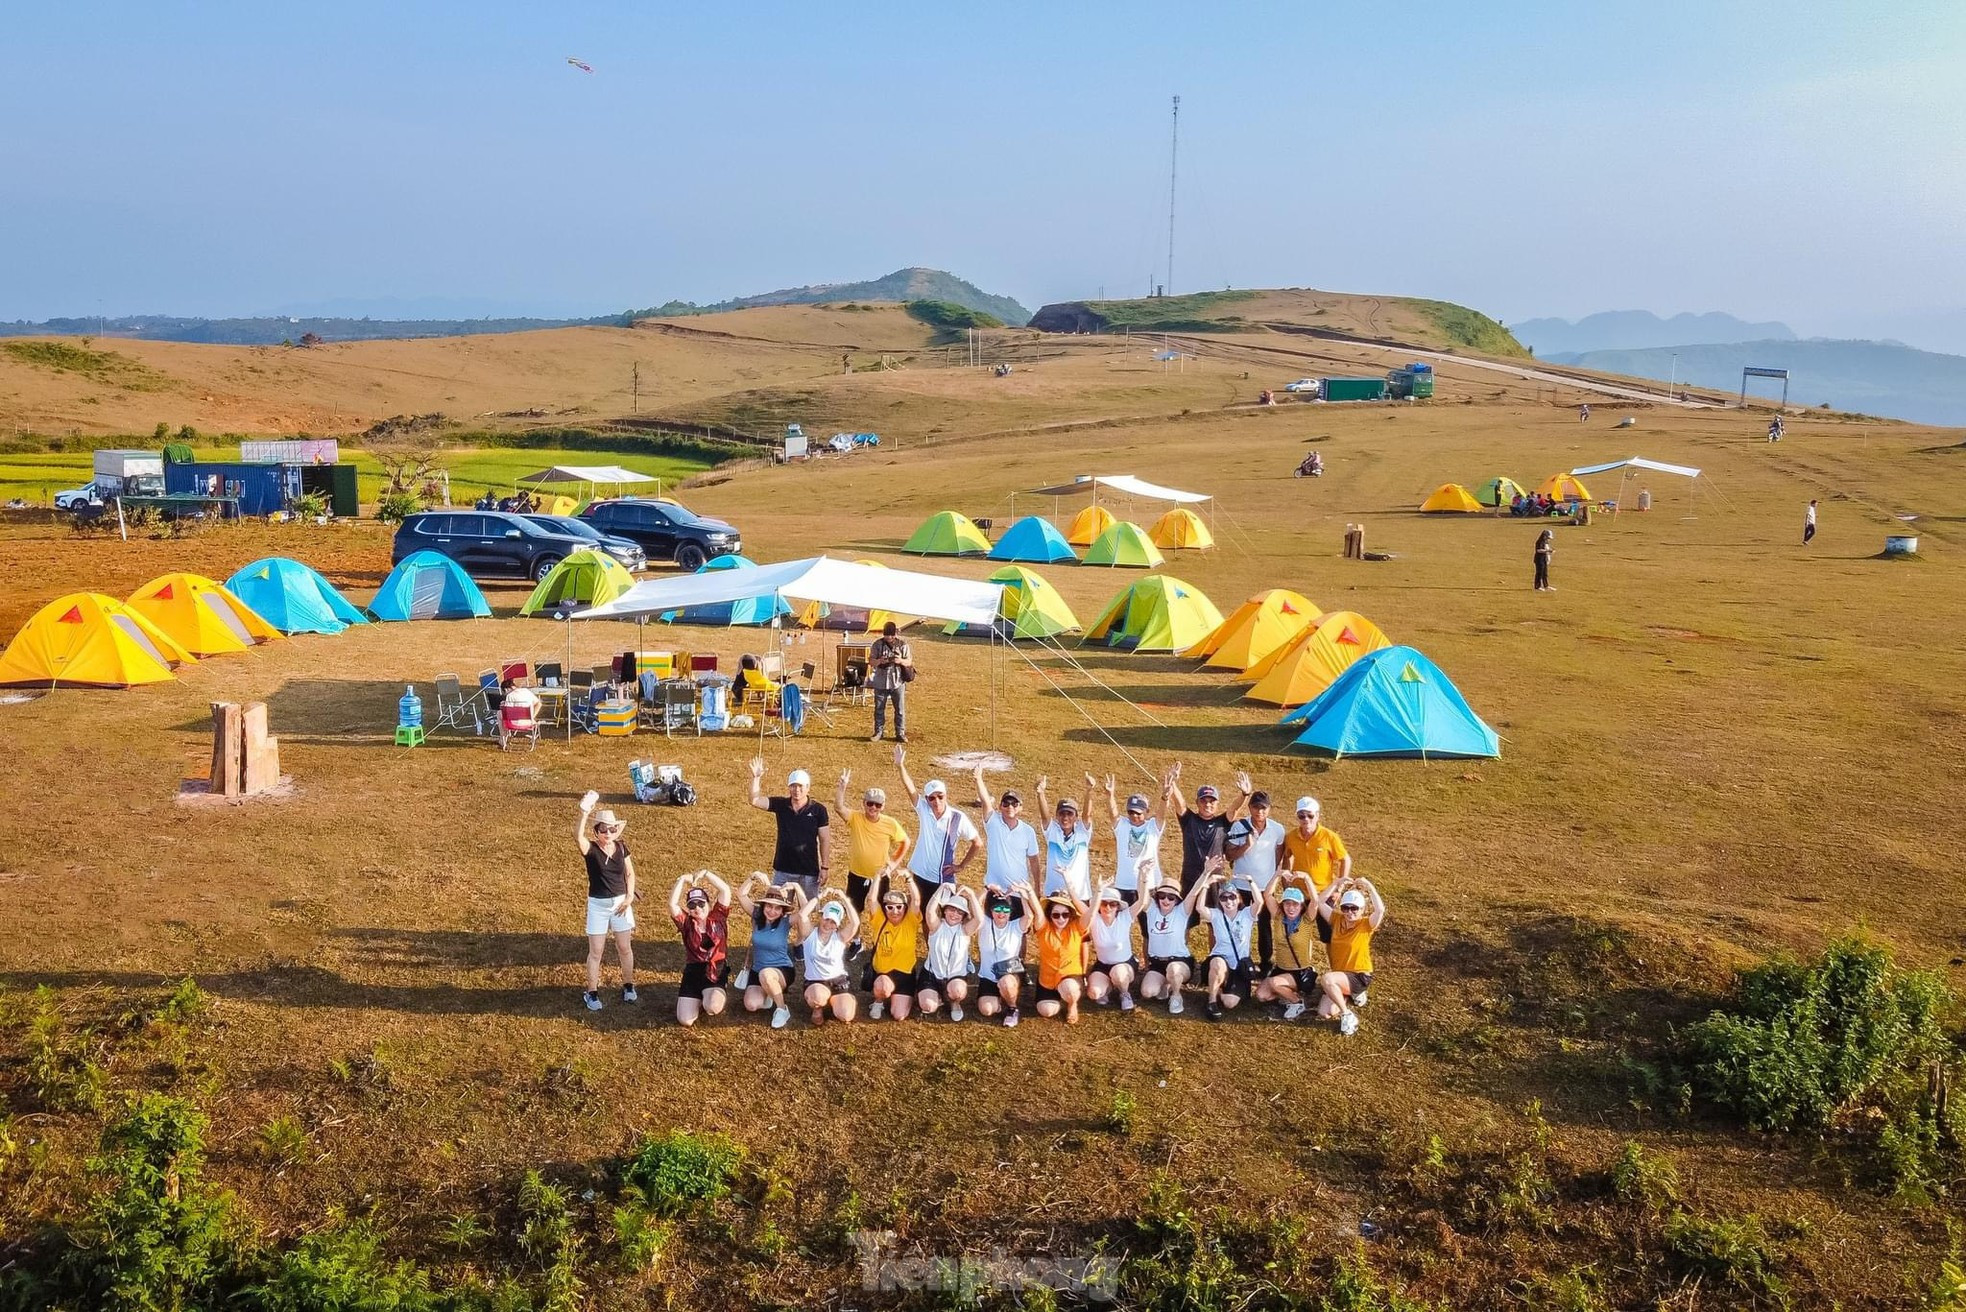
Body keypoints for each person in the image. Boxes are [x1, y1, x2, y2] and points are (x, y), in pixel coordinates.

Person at [894, 747, 979, 911]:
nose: (937, 801)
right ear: (927, 799)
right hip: (920, 874)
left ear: (946, 796)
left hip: (943, 877)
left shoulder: (958, 817)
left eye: (940, 796)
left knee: (943, 916)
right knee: (924, 915)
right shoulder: (924, 810)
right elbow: (910, 789)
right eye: (932, 798)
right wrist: (900, 766)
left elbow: (977, 843)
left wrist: (961, 866)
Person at [836, 769, 911, 955]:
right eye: (870, 803)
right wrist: (842, 787)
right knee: (854, 910)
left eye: (877, 805)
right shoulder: (855, 818)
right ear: (864, 803)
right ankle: (856, 941)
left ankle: (881, 941)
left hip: (880, 878)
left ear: (883, 806)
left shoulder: (890, 823)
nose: (873, 808)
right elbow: (839, 807)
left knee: (881, 911)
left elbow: (905, 842)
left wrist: (893, 864)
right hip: (856, 876)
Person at [575, 795, 637, 1012]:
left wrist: (629, 898)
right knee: (596, 951)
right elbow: (577, 836)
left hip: (621, 905)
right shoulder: (590, 850)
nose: (608, 834)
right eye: (603, 830)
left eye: (611, 830)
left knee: (624, 947)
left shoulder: (621, 847)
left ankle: (628, 985)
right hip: (598, 906)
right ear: (597, 831)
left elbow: (630, 874)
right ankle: (591, 992)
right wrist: (584, 812)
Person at [1138, 861, 1215, 1015]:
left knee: (1173, 970)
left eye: (1171, 897)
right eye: (1162, 896)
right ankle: (1166, 983)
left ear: (1177, 899)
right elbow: (1142, 896)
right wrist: (1143, 875)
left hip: (1179, 961)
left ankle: (1176, 995)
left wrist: (1206, 872)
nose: (1166, 900)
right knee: (1147, 992)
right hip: (1157, 963)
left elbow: (1194, 892)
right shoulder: (1152, 910)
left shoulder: (1182, 911)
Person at [749, 759, 831, 899]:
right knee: (777, 908)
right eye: (793, 786)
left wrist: (824, 867)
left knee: (808, 912)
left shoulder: (819, 810)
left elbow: (825, 839)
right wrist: (756, 778)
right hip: (783, 870)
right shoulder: (781, 804)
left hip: (808, 872)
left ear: (808, 787)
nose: (796, 790)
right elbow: (755, 801)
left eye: (800, 786)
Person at [1278, 796, 1351, 951]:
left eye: (1310, 815)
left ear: (1317, 816)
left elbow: (1345, 860)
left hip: (1324, 894)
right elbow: (1287, 857)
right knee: (1299, 933)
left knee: (1329, 936)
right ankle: (1302, 968)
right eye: (1301, 815)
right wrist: (1286, 885)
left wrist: (1339, 889)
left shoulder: (1329, 837)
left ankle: (1335, 971)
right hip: (1300, 894)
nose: (1306, 819)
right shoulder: (1291, 837)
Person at [1224, 785, 1285, 970]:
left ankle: (1266, 962)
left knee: (1264, 925)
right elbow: (1229, 855)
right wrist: (1246, 847)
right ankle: (1241, 959)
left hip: (1265, 888)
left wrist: (1277, 880)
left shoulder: (1277, 829)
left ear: (1269, 809)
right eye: (1256, 807)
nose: (1260, 811)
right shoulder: (1239, 826)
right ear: (1250, 808)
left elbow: (1279, 855)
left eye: (1263, 807)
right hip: (1241, 885)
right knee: (1242, 924)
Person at [1317, 876, 1386, 1036]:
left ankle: (1347, 1015)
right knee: (1324, 1012)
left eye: (1354, 908)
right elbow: (1320, 902)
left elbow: (1380, 910)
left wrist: (1369, 886)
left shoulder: (1366, 924)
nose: (1349, 912)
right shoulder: (1337, 919)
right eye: (1346, 908)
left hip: (1359, 975)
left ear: (1362, 909)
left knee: (1327, 979)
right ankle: (1349, 995)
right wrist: (1335, 883)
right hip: (1341, 974)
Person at [1164, 762, 1245, 896]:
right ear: (1197, 802)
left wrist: (1245, 794)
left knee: (1215, 916)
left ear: (1217, 803)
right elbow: (1179, 802)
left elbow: (1234, 808)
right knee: (1189, 916)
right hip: (1190, 879)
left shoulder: (1222, 822)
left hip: (1214, 881)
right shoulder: (1188, 820)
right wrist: (1172, 781)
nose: (1207, 804)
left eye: (1212, 801)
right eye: (1203, 801)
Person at [736, 876, 804, 1029]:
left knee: (766, 975)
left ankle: (782, 1009)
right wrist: (752, 878)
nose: (772, 911)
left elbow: (804, 911)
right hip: (757, 970)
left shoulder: (786, 922)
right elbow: (740, 895)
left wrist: (797, 888)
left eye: (777, 908)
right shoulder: (756, 916)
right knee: (751, 1005)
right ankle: (769, 993)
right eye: (769, 906)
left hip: (781, 970)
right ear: (764, 905)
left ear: (782, 911)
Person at [669, 870, 733, 1027]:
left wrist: (706, 873)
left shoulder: (718, 917)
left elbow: (725, 890)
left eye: (701, 903)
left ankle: (714, 994)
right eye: (691, 905)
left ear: (708, 904)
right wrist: (681, 879)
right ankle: (699, 997)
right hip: (694, 970)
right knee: (685, 1020)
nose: (696, 908)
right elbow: (672, 904)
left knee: (712, 1007)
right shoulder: (686, 924)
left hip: (716, 968)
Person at [974, 766, 1041, 912]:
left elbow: (1034, 861)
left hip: (1018, 891)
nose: (1010, 806)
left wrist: (1036, 888)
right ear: (1000, 806)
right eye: (1006, 803)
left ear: (1020, 808)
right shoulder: (993, 822)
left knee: (1020, 930)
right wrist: (978, 779)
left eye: (1014, 803)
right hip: (994, 890)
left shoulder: (1028, 831)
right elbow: (985, 801)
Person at [917, 884, 983, 1022]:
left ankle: (955, 1002)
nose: (955, 914)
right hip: (932, 975)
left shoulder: (965, 930)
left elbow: (979, 919)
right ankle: (939, 996)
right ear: (945, 910)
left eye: (960, 912)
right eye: (952, 909)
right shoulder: (936, 925)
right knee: (928, 1006)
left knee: (957, 991)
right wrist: (942, 888)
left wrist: (971, 895)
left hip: (955, 975)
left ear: (964, 916)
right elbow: (929, 911)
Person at [1027, 884, 1093, 1023]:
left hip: (1070, 975)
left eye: (1065, 914)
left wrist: (1098, 892)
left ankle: (1072, 1004)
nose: (1061, 919)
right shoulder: (1044, 928)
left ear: (1070, 914)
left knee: (1070, 989)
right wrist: (1028, 892)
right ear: (1050, 915)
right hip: (1048, 979)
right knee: (1046, 1011)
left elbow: (1090, 914)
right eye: (1056, 915)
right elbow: (1038, 912)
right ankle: (1058, 997)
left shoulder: (1077, 927)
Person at [1255, 881, 1320, 1020]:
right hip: (1281, 968)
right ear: (1282, 905)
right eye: (1287, 904)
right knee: (1261, 996)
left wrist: (1306, 878)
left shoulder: (1306, 920)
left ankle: (1297, 1003)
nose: (1291, 908)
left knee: (1274, 983)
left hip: (1299, 971)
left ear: (1301, 906)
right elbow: (1267, 895)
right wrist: (1278, 874)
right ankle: (1286, 995)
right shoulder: (1279, 917)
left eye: (1295, 904)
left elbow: (1315, 900)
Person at [1198, 863, 1256, 1020]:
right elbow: (1199, 907)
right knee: (1217, 964)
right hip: (1220, 959)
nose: (1228, 901)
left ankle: (1220, 987)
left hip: (1238, 966)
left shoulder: (1246, 914)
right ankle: (1211, 1001)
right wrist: (1206, 885)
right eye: (1223, 898)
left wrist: (1251, 882)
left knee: (1229, 1003)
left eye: (1232, 897)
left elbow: (1260, 903)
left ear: (1238, 899)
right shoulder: (1216, 914)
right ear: (1219, 900)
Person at [862, 875, 922, 1020]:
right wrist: (876, 877)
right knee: (883, 987)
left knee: (899, 1015)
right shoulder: (879, 919)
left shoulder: (911, 920)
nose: (895, 911)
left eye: (899, 907)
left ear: (905, 908)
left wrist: (909, 879)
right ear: (884, 908)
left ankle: (898, 997)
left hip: (905, 974)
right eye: (890, 907)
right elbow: (871, 899)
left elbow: (916, 900)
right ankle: (879, 1001)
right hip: (883, 973)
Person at [797, 892, 861, 1025]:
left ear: (837, 924)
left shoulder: (840, 937)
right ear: (821, 917)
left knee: (845, 1016)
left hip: (838, 980)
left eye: (833, 922)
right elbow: (802, 915)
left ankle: (842, 1000)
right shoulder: (809, 934)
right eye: (826, 919)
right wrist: (819, 897)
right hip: (815, 981)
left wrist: (845, 899)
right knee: (817, 998)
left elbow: (855, 922)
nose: (828, 924)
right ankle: (819, 1007)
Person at [1099, 775, 1162, 906]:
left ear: (1147, 811)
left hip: (1149, 884)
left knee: (1148, 925)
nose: (1134, 816)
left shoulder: (1153, 826)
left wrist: (1165, 797)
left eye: (1138, 813)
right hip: (1124, 885)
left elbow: (1162, 813)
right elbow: (1113, 814)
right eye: (1131, 812)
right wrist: (1110, 796)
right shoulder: (1122, 825)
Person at [974, 885, 1029, 1026]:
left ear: (1011, 912)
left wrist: (1022, 893)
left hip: (1009, 973)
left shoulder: (1016, 926)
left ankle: (1012, 1007)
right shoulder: (984, 924)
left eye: (1006, 910)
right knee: (986, 1010)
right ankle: (999, 998)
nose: (1001, 913)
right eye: (997, 909)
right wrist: (986, 888)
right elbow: (972, 905)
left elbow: (1029, 916)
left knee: (1005, 983)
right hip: (988, 976)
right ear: (990, 911)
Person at [1035, 777, 1095, 903]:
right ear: (1057, 816)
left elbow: (1087, 815)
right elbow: (1044, 817)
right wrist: (1040, 794)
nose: (1065, 818)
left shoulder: (1083, 833)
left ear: (1076, 817)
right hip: (1053, 893)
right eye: (1062, 814)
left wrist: (1089, 791)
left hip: (1080, 895)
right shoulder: (1052, 832)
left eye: (1069, 814)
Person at [1084, 886, 1139, 1012]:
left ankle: (1124, 993)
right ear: (1098, 905)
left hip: (1124, 964)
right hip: (1103, 965)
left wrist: (1144, 878)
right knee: (1094, 993)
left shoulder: (1125, 917)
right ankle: (1109, 987)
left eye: (1112, 904)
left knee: (1118, 974)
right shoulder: (1094, 919)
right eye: (1103, 903)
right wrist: (1068, 880)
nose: (1107, 907)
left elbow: (1142, 902)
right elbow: (1077, 903)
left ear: (1118, 907)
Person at [868, 620, 912, 743]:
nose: (889, 638)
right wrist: (880, 661)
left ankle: (900, 733)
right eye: (887, 635)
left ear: (895, 634)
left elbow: (909, 662)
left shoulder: (903, 645)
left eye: (891, 635)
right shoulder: (877, 644)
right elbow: (871, 661)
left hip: (897, 681)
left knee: (900, 709)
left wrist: (900, 661)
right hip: (881, 680)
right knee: (879, 708)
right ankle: (878, 732)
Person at [498, 677, 539, 751]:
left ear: (507, 689)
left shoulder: (510, 696)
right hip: (529, 722)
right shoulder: (526, 691)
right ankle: (504, 738)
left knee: (499, 713)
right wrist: (532, 717)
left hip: (514, 723)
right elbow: (538, 703)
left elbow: (507, 712)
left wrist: (503, 705)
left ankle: (503, 739)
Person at [1533, 528, 1554, 592]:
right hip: (1539, 559)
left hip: (1544, 558)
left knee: (1545, 573)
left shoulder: (1545, 541)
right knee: (1539, 573)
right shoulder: (1539, 542)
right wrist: (1547, 551)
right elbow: (1538, 550)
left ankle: (1546, 585)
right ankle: (1537, 586)